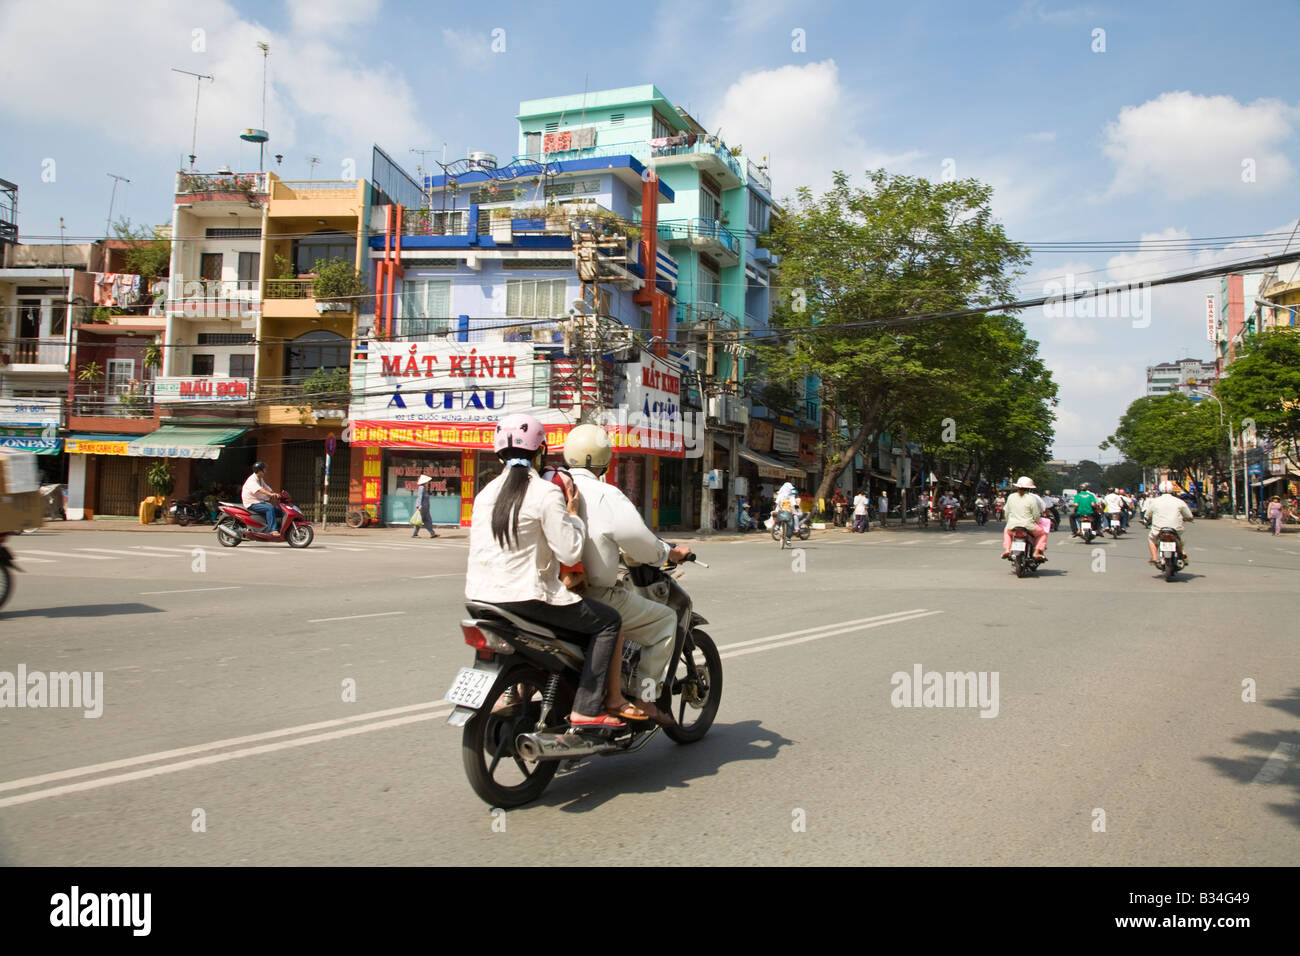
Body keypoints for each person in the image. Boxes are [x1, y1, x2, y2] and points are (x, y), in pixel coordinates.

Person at [465, 413, 642, 729]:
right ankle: (588, 708)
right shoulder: (545, 492)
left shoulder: (484, 496)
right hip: (527, 599)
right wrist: (573, 514)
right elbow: (571, 551)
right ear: (541, 450)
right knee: (609, 622)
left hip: (480, 598)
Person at [562, 424, 685, 726]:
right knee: (665, 621)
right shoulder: (605, 493)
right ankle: (646, 698)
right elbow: (638, 542)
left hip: (546, 592)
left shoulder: (551, 484)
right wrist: (666, 553)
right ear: (603, 458)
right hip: (592, 594)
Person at [1142, 480, 1194, 565]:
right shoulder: (1179, 501)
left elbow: (1147, 515)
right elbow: (1189, 516)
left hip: (1158, 529)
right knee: (1178, 539)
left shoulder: (1155, 501)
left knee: (1152, 539)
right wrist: (1188, 519)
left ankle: (1155, 558)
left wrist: (1147, 519)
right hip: (1175, 529)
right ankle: (1182, 553)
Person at [1002, 476, 1048, 560]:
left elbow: (1007, 513)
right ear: (1029, 489)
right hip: (1028, 525)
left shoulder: (1011, 497)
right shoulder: (1032, 498)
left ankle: (1007, 550)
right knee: (1043, 534)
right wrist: (1036, 522)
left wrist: (1008, 522)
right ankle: (1036, 552)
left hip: (1012, 525)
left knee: (1007, 532)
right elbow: (1036, 514)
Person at [242, 461, 278, 534]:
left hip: (258, 501)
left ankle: (271, 525)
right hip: (252, 503)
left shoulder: (260, 479)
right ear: (259, 471)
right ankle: (273, 530)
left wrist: (275, 493)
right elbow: (260, 489)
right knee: (269, 508)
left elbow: (266, 487)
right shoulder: (252, 480)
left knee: (278, 510)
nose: (265, 471)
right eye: (264, 469)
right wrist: (270, 494)